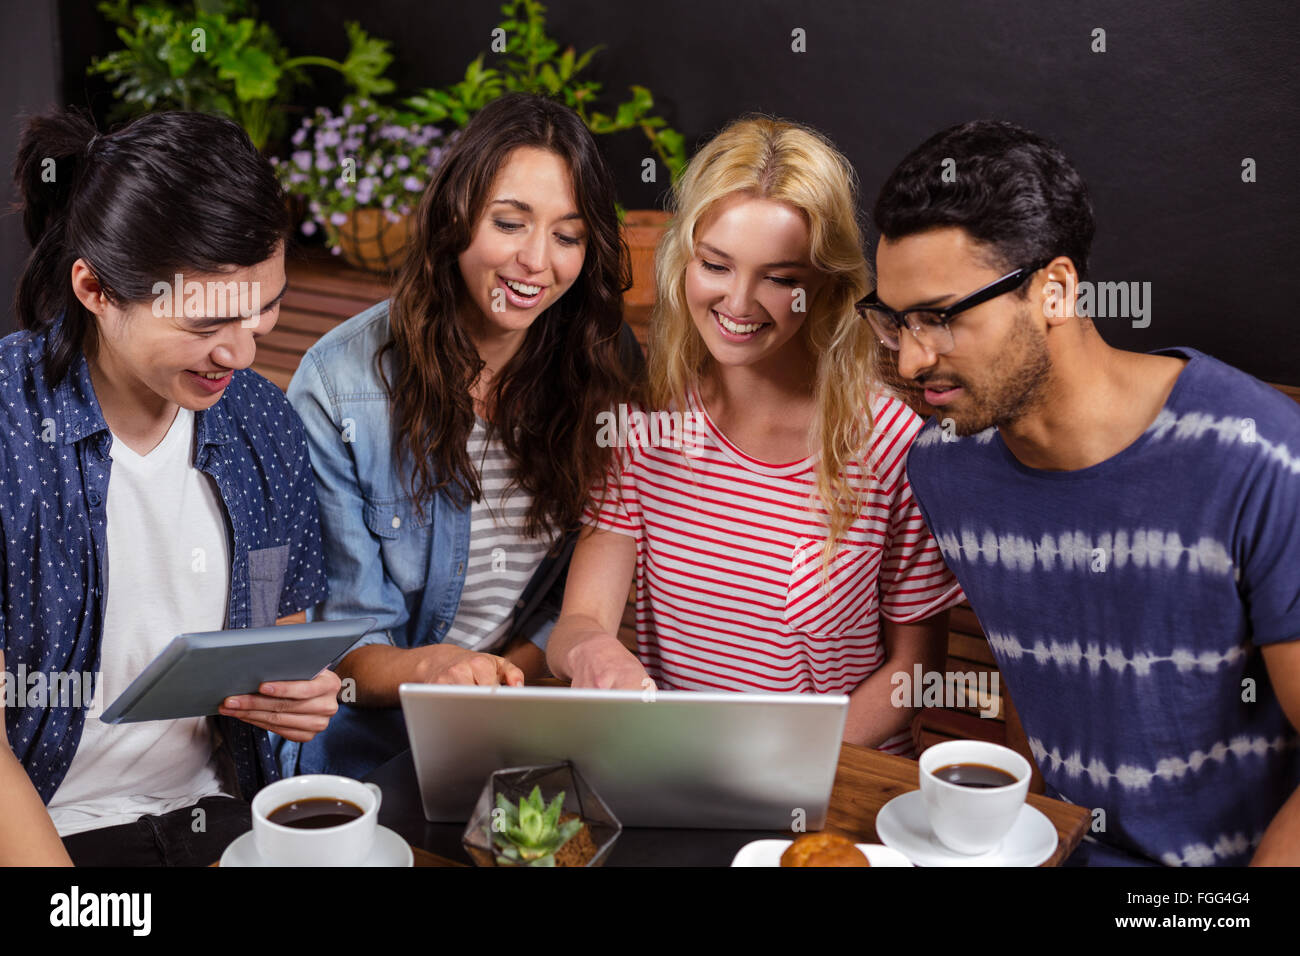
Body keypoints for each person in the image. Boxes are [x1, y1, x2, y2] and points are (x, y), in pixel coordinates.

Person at [868, 119, 1300, 865]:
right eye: (896, 321)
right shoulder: (945, 468)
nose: (911, 359)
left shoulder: (1258, 453)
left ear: (1056, 290)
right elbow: (1045, 690)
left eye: (941, 317)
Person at [545, 117, 964, 755]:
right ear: (682, 262)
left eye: (780, 277)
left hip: (834, 784)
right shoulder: (644, 424)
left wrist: (785, 765)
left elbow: (915, 674)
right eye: (716, 265)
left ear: (825, 286)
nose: (739, 303)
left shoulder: (890, 445)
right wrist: (595, 653)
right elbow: (578, 624)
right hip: (685, 773)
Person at [1, 109, 338, 866]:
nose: (242, 349)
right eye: (205, 322)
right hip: (50, 829)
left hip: (218, 814)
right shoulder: (9, 430)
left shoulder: (261, 420)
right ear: (94, 287)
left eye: (264, 309)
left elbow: (281, 627)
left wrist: (297, 692)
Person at [281, 93, 644, 781]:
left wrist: (506, 683)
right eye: (510, 223)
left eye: (567, 236)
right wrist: (442, 670)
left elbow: (572, 591)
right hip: (370, 735)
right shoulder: (341, 381)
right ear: (456, 215)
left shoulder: (604, 362)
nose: (537, 261)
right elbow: (343, 649)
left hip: (522, 713)